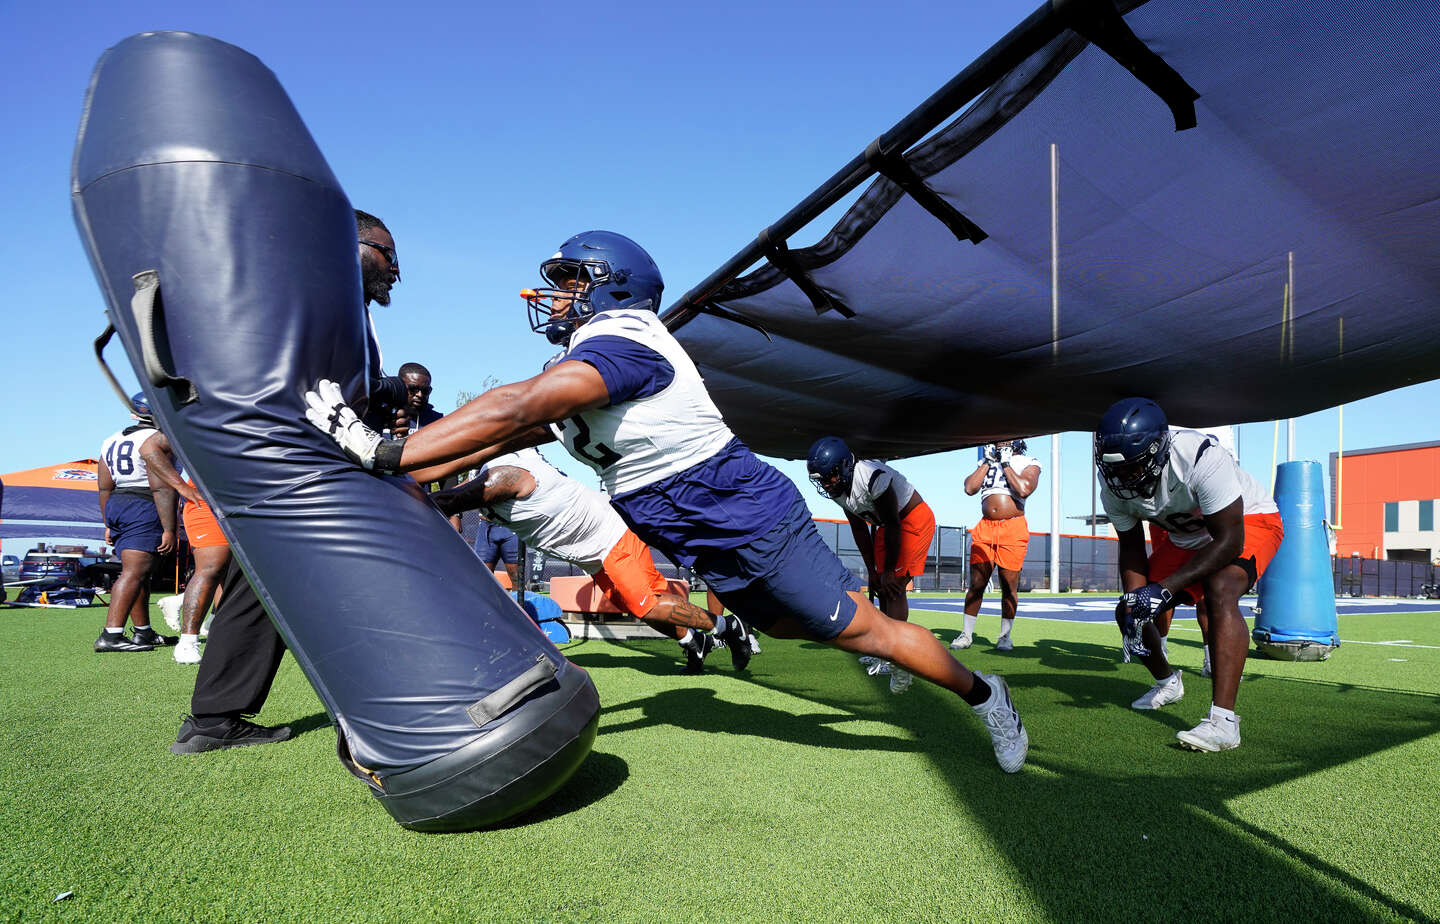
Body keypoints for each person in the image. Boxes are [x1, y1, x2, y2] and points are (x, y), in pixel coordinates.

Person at [306, 230, 1027, 773]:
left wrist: (388, 452)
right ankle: (891, 653)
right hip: (699, 527)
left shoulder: (625, 338)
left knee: (860, 630)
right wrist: (409, 478)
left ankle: (986, 696)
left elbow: (518, 405)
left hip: (746, 515)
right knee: (781, 630)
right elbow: (513, 429)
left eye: (567, 280)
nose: (553, 295)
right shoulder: (583, 353)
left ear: (609, 286)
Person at [171, 209, 403, 754]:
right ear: (352, 247)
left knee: (261, 596)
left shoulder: (345, 308)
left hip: (296, 469)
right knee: (355, 582)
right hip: (299, 469)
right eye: (387, 255)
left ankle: (212, 720)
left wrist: (383, 391)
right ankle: (393, 707)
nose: (395, 270)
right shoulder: (318, 298)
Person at [430, 446, 753, 674]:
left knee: (647, 604)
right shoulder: (492, 466)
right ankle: (692, 640)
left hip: (610, 537)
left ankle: (729, 627)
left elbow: (448, 499)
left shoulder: (505, 473)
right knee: (634, 605)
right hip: (590, 552)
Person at [1095, 397, 1284, 752]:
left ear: (1158, 452)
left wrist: (1164, 590)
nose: (1121, 478)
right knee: (1127, 610)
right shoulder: (1113, 485)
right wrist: (1138, 603)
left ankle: (1224, 722)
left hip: (1248, 522)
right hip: (1188, 537)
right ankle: (1168, 683)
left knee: (1221, 587)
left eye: (1131, 468)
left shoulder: (1200, 457)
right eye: (1114, 469)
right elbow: (1132, 548)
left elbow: (1229, 541)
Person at [807, 437, 936, 693]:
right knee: (880, 587)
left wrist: (888, 571)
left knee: (893, 588)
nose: (826, 483)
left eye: (830, 476)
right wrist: (872, 570)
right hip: (885, 526)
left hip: (910, 521)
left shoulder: (871, 476)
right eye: (821, 479)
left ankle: (900, 659)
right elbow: (858, 527)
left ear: (844, 466)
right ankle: (886, 650)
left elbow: (895, 524)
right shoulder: (838, 489)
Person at [94, 393, 183, 652]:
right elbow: (161, 488)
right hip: (144, 502)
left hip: (118, 503)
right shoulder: (156, 439)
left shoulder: (111, 439)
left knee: (138, 572)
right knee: (134, 572)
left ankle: (142, 632)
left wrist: (107, 522)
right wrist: (169, 528)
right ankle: (111, 635)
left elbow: (103, 486)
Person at [952, 440, 1042, 652]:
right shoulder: (986, 461)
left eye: (1008, 438)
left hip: (1013, 527)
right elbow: (969, 488)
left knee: (1009, 586)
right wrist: (987, 462)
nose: (1002, 441)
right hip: (985, 527)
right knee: (976, 583)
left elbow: (1024, 489)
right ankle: (966, 634)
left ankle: (1004, 636)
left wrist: (1006, 463)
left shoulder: (1030, 462)